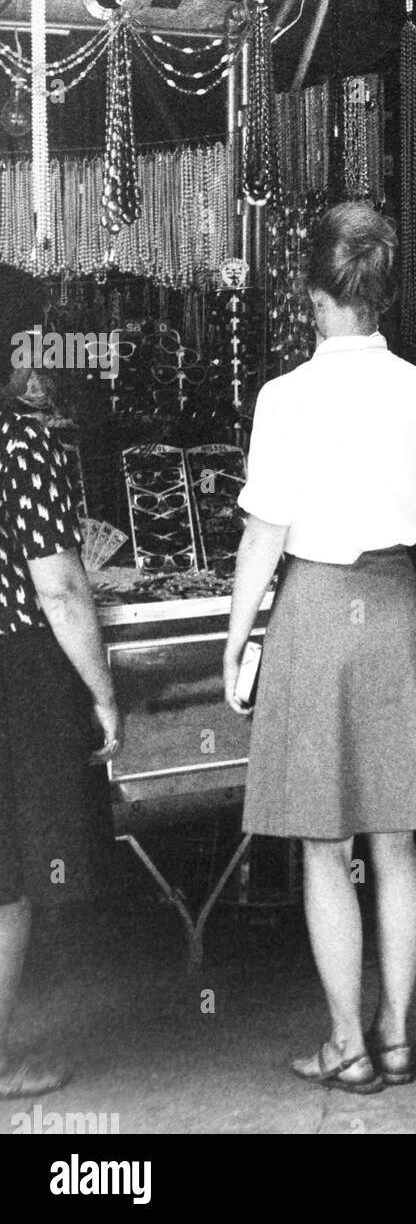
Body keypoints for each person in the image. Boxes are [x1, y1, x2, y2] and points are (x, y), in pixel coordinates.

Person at [224, 203, 416, 1093]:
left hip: (318, 608)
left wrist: (236, 641)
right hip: (398, 605)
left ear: (312, 297)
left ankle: (347, 1042)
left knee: (323, 844)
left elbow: (265, 536)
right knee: (398, 839)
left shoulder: (285, 397)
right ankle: (400, 1035)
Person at [0, 266, 121, 1100]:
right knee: (7, 882)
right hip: (16, 669)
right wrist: (104, 691)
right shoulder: (23, 444)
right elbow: (61, 586)